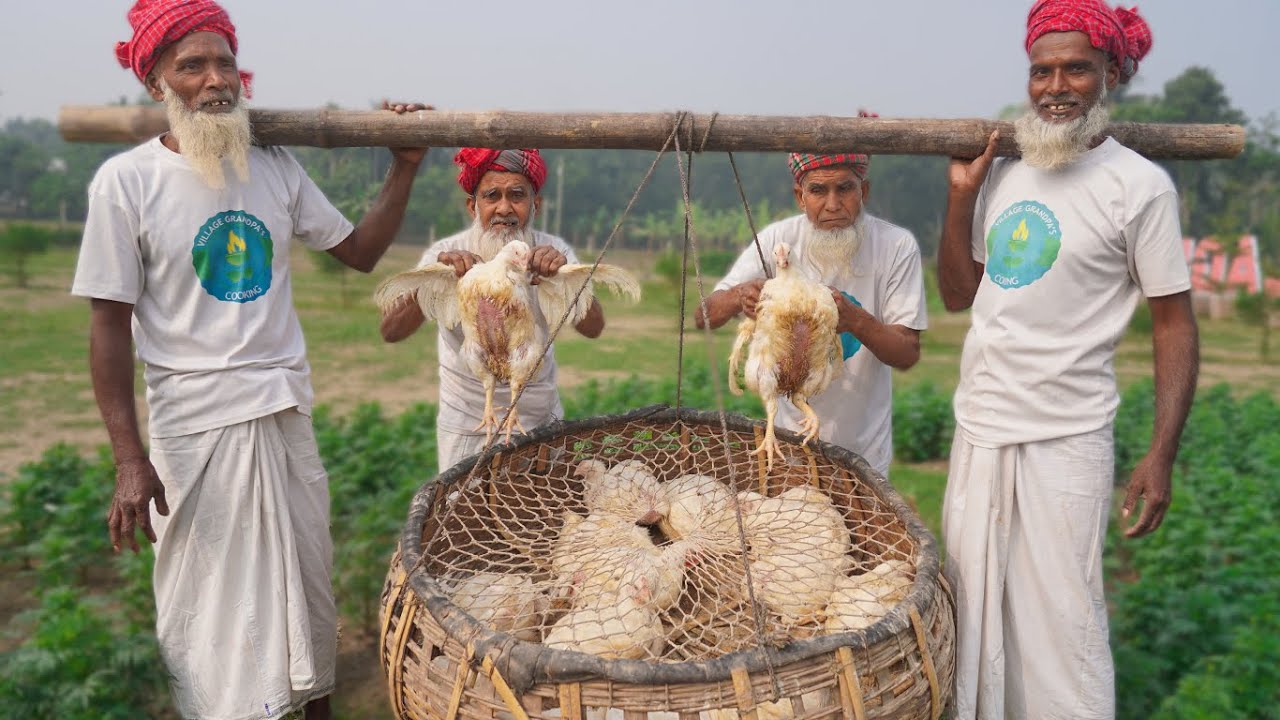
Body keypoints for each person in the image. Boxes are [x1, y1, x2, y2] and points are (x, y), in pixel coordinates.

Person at [70, 2, 428, 718]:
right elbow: (107, 325)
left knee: (306, 593)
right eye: (192, 66)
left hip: (282, 414)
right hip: (192, 429)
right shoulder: (126, 182)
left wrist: (404, 165)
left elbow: (360, 253)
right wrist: (129, 460)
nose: (215, 79)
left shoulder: (273, 166)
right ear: (158, 83)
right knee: (209, 616)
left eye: (224, 63)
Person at [935, 1, 1200, 717]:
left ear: (1111, 73)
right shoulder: (1006, 172)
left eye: (1076, 69)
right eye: (1041, 71)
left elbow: (1174, 323)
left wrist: (1161, 455)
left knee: (1063, 628)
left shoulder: (1138, 187)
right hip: (982, 425)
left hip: (1068, 434)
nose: (1055, 87)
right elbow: (959, 294)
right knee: (971, 614)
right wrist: (960, 199)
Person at [695, 137, 928, 477]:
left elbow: (907, 353)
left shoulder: (895, 247)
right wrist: (737, 296)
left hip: (865, 451)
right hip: (789, 446)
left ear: (864, 191)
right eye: (818, 191)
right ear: (800, 196)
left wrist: (855, 320)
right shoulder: (778, 241)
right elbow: (703, 315)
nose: (832, 204)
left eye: (844, 189)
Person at [379, 148, 606, 472]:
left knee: (540, 502)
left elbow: (594, 328)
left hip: (538, 420)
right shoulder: (446, 253)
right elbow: (391, 331)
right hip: (468, 422)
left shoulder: (552, 253)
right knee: (462, 502)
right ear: (473, 206)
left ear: (535, 205)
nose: (504, 208)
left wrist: (564, 277)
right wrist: (435, 279)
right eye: (491, 196)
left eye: (517, 195)